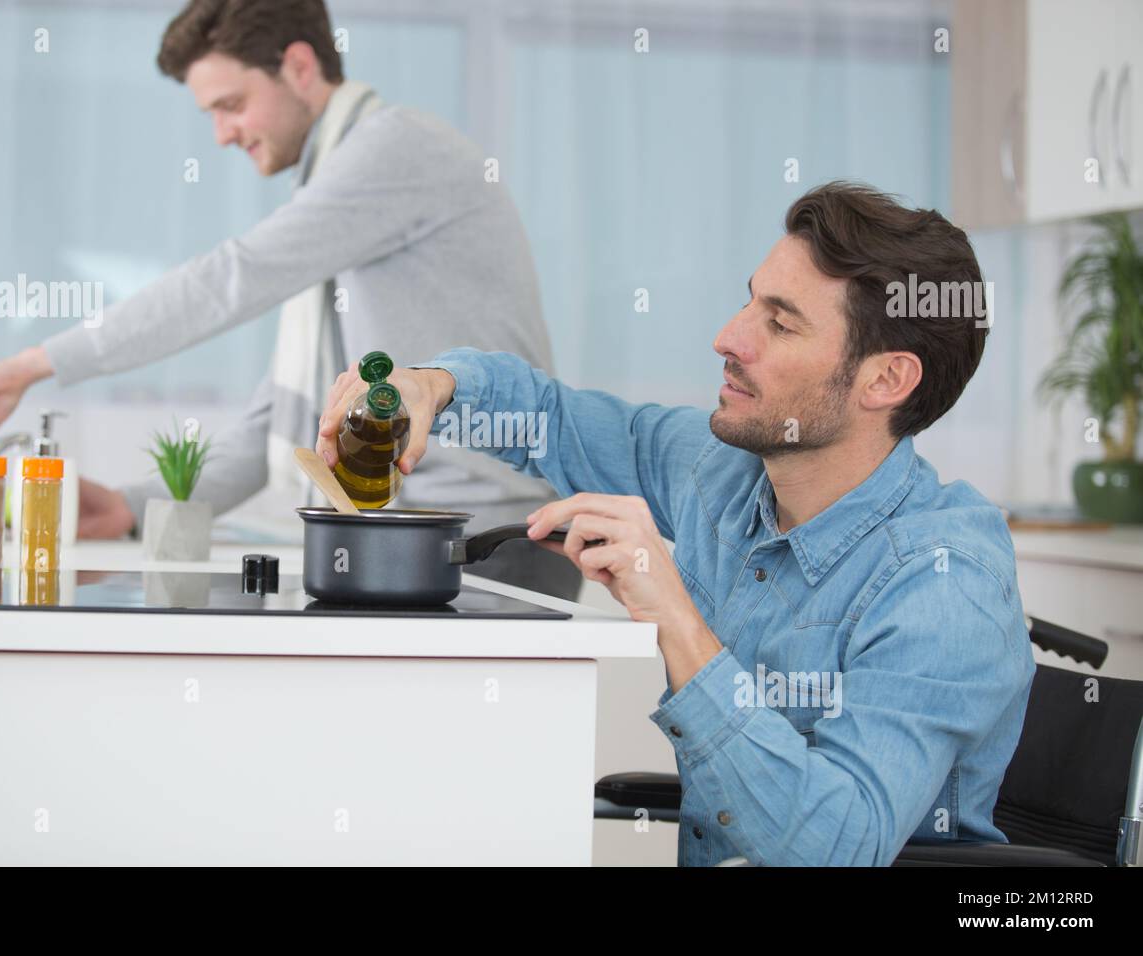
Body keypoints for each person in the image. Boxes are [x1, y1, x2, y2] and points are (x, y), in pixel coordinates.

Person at [317, 182, 1037, 866]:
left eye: (781, 322)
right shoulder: (719, 470)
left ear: (885, 381)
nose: (728, 337)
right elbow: (548, 417)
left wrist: (678, 623)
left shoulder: (944, 584)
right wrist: (430, 386)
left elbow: (833, 847)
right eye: (749, 303)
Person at [0, 0, 580, 599]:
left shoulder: (394, 148)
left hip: (490, 549)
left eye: (230, 104)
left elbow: (230, 279)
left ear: (298, 65)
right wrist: (129, 505)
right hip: (409, 543)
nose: (221, 134)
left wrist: (30, 365)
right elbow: (276, 424)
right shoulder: (338, 196)